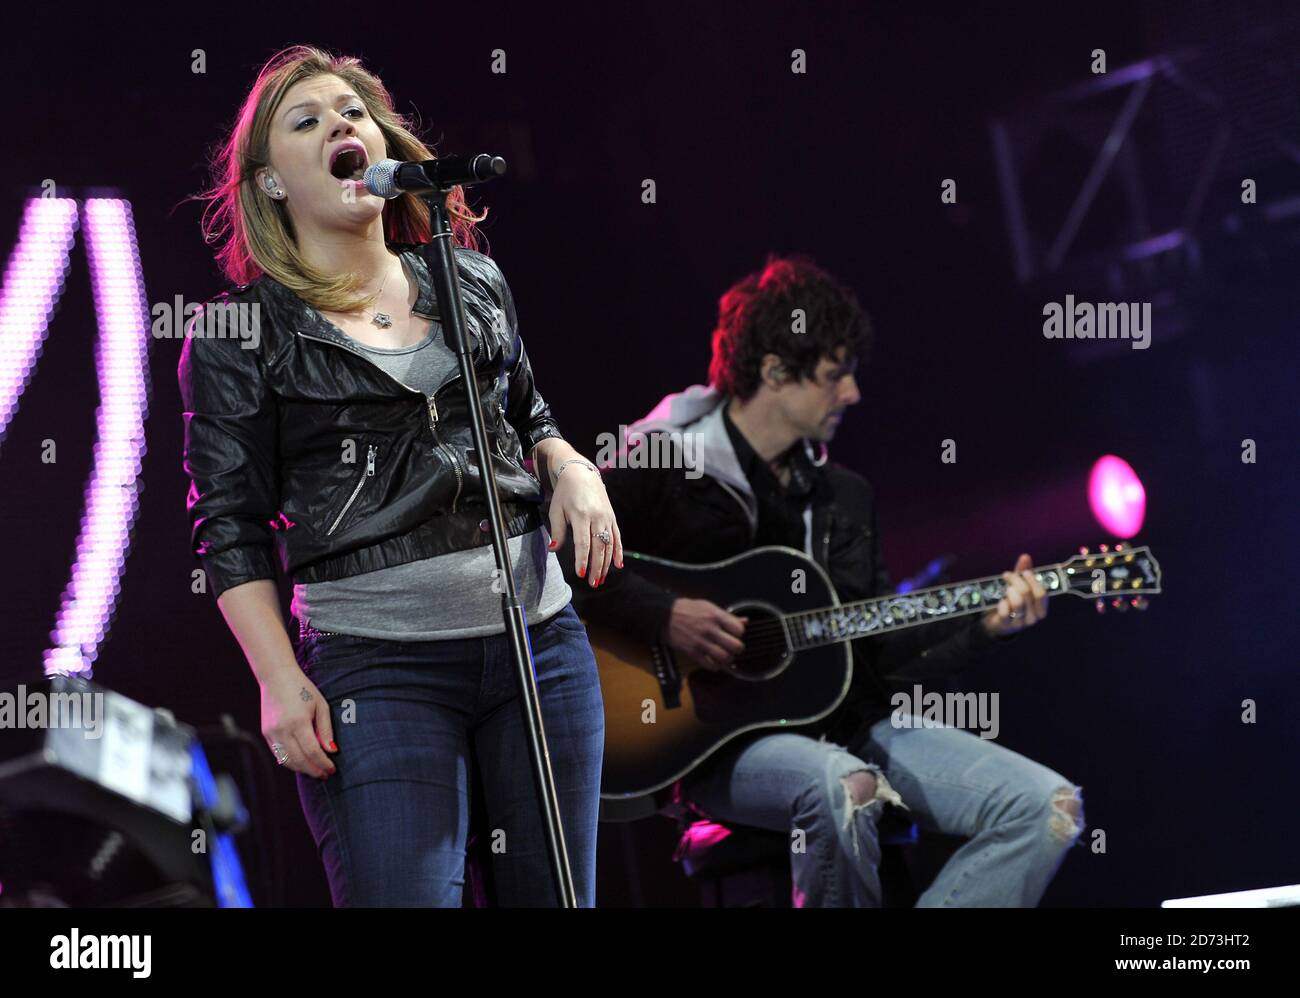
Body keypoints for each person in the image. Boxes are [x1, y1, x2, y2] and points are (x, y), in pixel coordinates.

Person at [178, 45, 621, 907]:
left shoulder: (471, 281)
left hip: (541, 647)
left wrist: (571, 465)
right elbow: (226, 525)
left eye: (352, 111)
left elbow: (528, 415)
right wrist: (278, 678)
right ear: (270, 184)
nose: (341, 124)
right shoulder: (238, 332)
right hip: (377, 669)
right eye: (306, 122)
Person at [564, 254, 1085, 907]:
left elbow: (877, 665)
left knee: (1048, 807)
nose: (853, 395)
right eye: (836, 376)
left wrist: (985, 628)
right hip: (709, 747)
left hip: (847, 726)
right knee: (844, 787)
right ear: (776, 372)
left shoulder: (845, 497)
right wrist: (666, 614)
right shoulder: (662, 458)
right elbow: (565, 563)